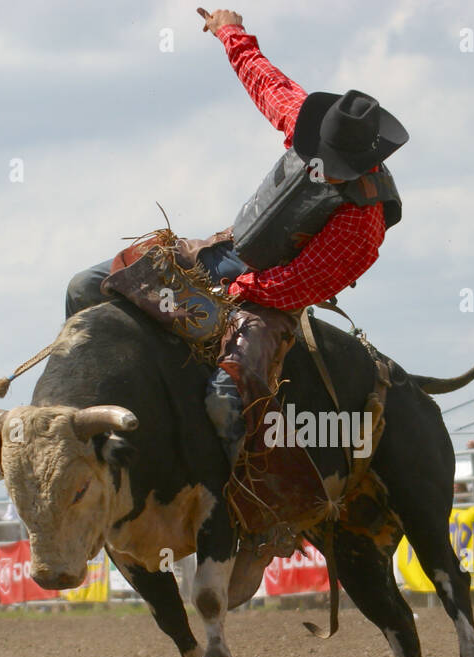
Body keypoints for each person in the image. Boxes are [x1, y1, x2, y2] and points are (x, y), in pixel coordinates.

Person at [66, 7, 407, 480]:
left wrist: (235, 292)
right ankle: (73, 426)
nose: (320, 166)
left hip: (271, 294)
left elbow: (298, 284)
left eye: (333, 165)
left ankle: (220, 502)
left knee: (224, 401)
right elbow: (268, 83)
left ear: (360, 165)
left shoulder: (362, 222)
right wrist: (229, 30)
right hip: (221, 251)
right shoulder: (310, 125)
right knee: (88, 285)